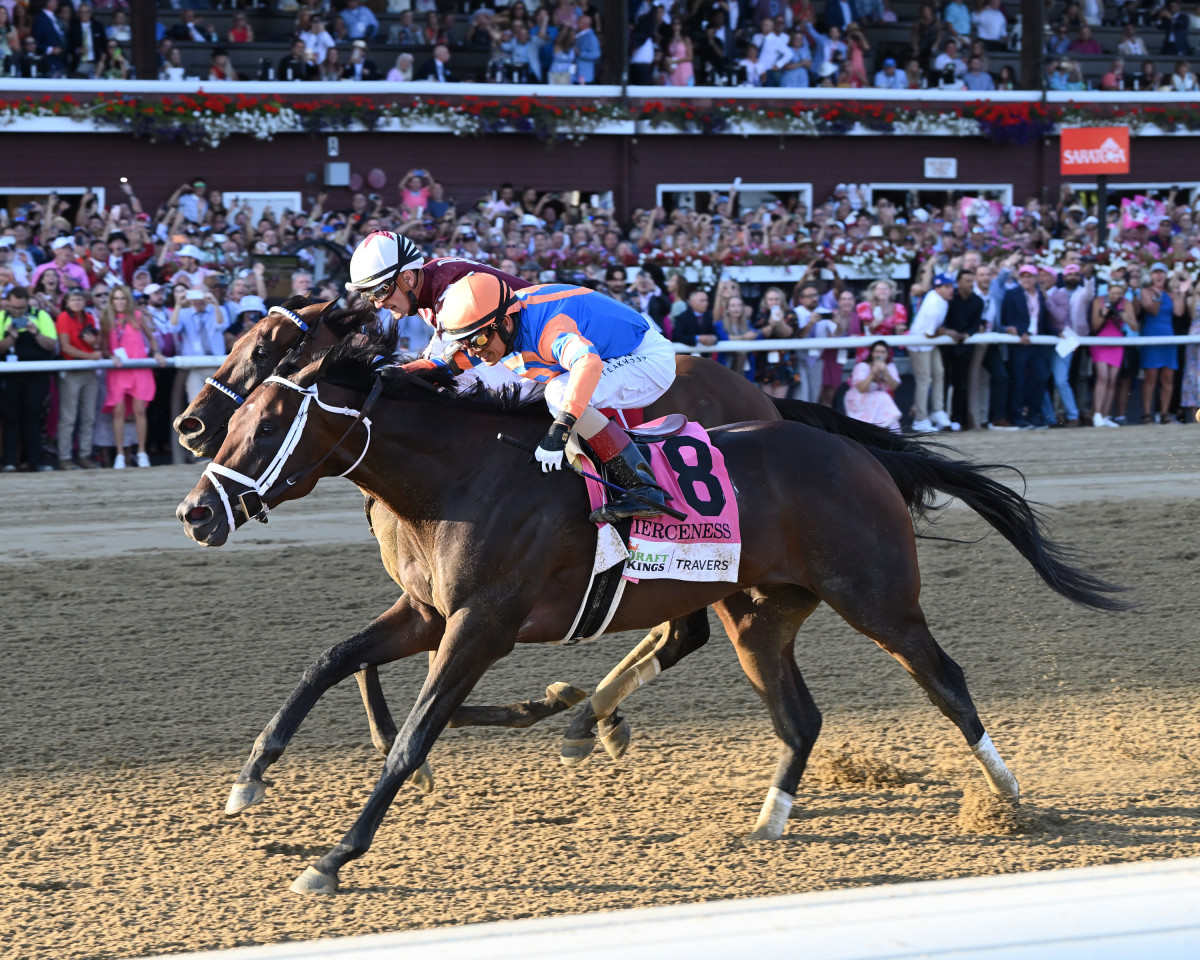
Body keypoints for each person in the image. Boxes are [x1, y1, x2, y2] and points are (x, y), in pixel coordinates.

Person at [437, 273, 676, 523]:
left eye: (476, 340)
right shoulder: (499, 326)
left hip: (645, 358)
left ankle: (643, 488)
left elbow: (587, 362)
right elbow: (463, 358)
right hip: (613, 353)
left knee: (559, 393)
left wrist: (559, 431)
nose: (473, 351)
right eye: (464, 343)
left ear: (505, 323)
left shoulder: (550, 330)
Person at [101, 286, 164, 469]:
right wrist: (110, 356)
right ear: (112, 301)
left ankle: (142, 452)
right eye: (116, 298)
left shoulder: (137, 315)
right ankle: (120, 454)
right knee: (118, 411)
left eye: (123, 298)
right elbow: (104, 347)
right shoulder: (107, 319)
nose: (120, 302)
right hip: (118, 370)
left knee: (139, 411)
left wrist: (157, 353)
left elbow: (151, 339)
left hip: (138, 368)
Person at [0, 286, 59, 472]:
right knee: (10, 418)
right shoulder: (2, 317)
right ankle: (9, 462)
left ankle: (35, 462)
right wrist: (11, 337)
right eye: (14, 308)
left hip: (36, 375)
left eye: (21, 308)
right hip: (10, 376)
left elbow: (51, 345)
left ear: (27, 303)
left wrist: (35, 332)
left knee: (33, 417)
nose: (17, 312)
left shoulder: (41, 315)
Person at [55, 288, 102, 469]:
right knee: (69, 417)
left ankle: (84, 455)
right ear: (67, 302)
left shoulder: (89, 318)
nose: (76, 302)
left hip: (89, 371)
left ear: (84, 302)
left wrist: (93, 345)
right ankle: (65, 457)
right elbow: (65, 347)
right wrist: (90, 355)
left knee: (88, 417)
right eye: (73, 299)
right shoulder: (64, 318)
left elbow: (97, 344)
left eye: (79, 299)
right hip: (72, 369)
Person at [1000, 264, 1050, 428]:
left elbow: (1043, 321)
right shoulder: (1011, 294)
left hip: (1037, 343)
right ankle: (1016, 415)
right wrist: (1021, 332)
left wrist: (1060, 332)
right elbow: (1007, 320)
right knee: (1019, 381)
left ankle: (1034, 414)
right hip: (1020, 344)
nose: (1026, 279)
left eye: (1029, 276)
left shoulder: (1041, 295)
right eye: (1023, 276)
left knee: (1040, 378)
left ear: (1035, 278)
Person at [1139, 262, 1188, 423]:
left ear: (1166, 275)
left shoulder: (1171, 293)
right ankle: (1147, 414)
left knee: (1168, 377)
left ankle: (1164, 413)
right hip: (1152, 335)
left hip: (1168, 336)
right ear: (1151, 275)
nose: (1158, 276)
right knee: (1151, 377)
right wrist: (1158, 297)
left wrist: (1180, 292)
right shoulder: (1146, 291)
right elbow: (1152, 310)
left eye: (1161, 273)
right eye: (1155, 273)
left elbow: (1179, 312)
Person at [908, 272, 956, 433]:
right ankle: (920, 418)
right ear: (938, 288)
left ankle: (937, 411)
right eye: (947, 287)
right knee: (925, 380)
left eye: (951, 286)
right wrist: (947, 332)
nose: (951, 290)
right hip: (920, 343)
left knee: (939, 373)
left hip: (930, 342)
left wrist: (942, 331)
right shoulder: (934, 307)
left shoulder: (938, 297)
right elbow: (929, 334)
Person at [1089, 278, 1135, 427]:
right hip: (1101, 342)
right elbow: (1094, 325)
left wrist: (1126, 318)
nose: (1116, 296)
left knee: (1112, 380)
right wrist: (1103, 314)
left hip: (1117, 343)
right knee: (1103, 377)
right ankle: (1096, 413)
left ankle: (1105, 414)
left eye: (1118, 293)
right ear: (1108, 291)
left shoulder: (1126, 303)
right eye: (1113, 293)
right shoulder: (1099, 301)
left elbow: (1134, 327)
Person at [941, 268, 983, 428]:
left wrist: (965, 335)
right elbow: (941, 320)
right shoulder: (949, 299)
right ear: (958, 283)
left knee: (961, 383)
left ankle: (958, 420)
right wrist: (948, 332)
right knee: (942, 382)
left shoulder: (978, 301)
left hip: (964, 348)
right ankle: (941, 419)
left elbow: (975, 325)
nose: (971, 284)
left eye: (972, 281)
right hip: (945, 347)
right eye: (967, 281)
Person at [845, 339, 902, 431]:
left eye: (883, 352)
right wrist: (872, 373)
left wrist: (885, 371)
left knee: (886, 405)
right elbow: (861, 389)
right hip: (858, 399)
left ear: (887, 354)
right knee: (883, 397)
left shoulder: (889, 366)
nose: (879, 355)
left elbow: (894, 386)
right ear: (872, 353)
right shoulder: (862, 366)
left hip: (876, 400)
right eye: (877, 352)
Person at [751, 286, 798, 398]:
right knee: (767, 399)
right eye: (771, 299)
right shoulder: (761, 314)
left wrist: (780, 321)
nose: (774, 302)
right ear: (766, 301)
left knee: (779, 400)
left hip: (784, 362)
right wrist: (771, 324)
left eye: (776, 299)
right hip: (765, 361)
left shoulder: (790, 313)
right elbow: (762, 333)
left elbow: (789, 333)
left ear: (781, 300)